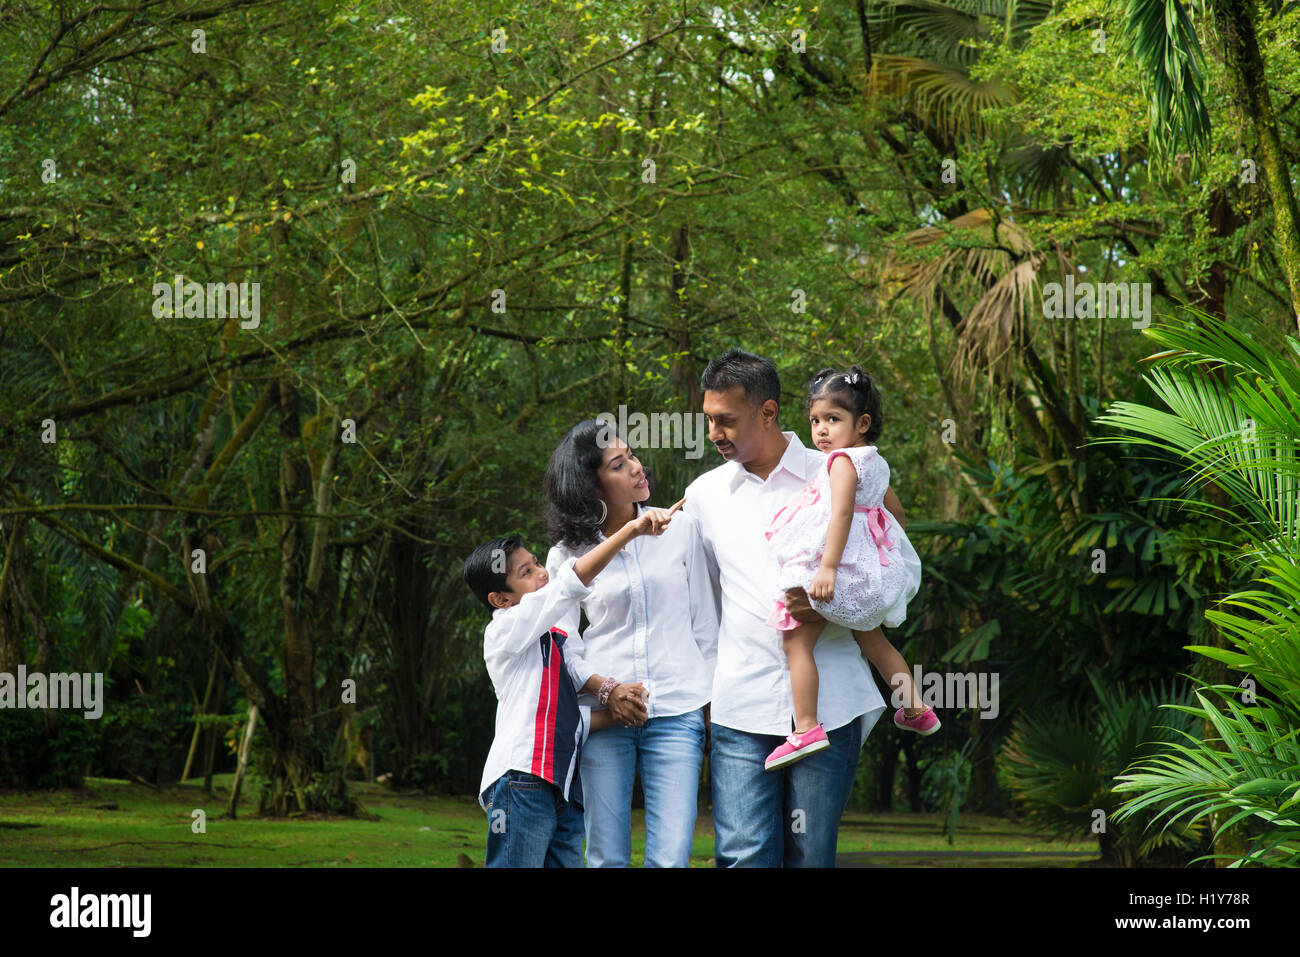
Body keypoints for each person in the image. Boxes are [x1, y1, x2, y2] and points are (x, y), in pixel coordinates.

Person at [683, 348, 886, 867]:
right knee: (743, 854)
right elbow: (704, 610)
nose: (714, 434)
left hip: (832, 703)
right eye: (709, 420)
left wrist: (834, 606)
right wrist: (705, 699)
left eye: (726, 420)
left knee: (811, 855)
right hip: (740, 706)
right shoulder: (705, 496)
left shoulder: (842, 473)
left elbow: (896, 575)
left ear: (768, 413)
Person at [463, 505, 679, 868]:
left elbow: (570, 721)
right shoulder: (505, 631)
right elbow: (568, 584)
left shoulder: (552, 640)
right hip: (523, 780)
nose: (543, 573)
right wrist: (629, 531)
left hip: (561, 784)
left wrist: (622, 707)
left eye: (536, 562)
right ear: (500, 600)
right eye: (526, 572)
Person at [544, 419, 717, 867]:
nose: (637, 468)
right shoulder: (567, 554)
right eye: (619, 465)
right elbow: (562, 644)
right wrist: (607, 689)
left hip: (679, 709)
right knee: (605, 855)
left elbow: (705, 624)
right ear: (591, 486)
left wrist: (713, 705)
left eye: (633, 456)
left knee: (673, 856)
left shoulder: (681, 529)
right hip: (605, 715)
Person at [762, 366, 935, 771]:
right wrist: (880, 549)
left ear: (862, 423)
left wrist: (827, 568)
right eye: (815, 421)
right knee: (874, 642)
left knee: (796, 641)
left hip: (835, 570)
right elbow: (896, 512)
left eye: (832, 420)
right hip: (866, 573)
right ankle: (915, 709)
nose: (821, 430)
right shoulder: (875, 462)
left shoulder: (841, 461)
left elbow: (840, 513)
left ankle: (805, 727)